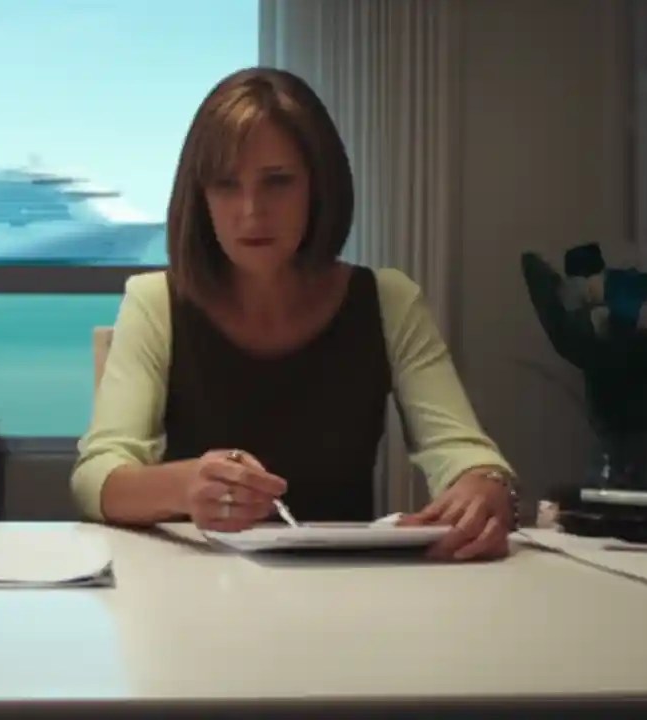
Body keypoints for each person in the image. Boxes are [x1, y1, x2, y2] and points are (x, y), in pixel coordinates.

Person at [71, 67, 518, 561]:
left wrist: (484, 484)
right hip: (193, 592)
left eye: (277, 182)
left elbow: (461, 450)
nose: (251, 211)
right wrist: (181, 486)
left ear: (318, 186)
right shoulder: (155, 301)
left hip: (347, 589)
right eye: (225, 185)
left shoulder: (389, 300)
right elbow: (95, 479)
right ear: (200, 198)